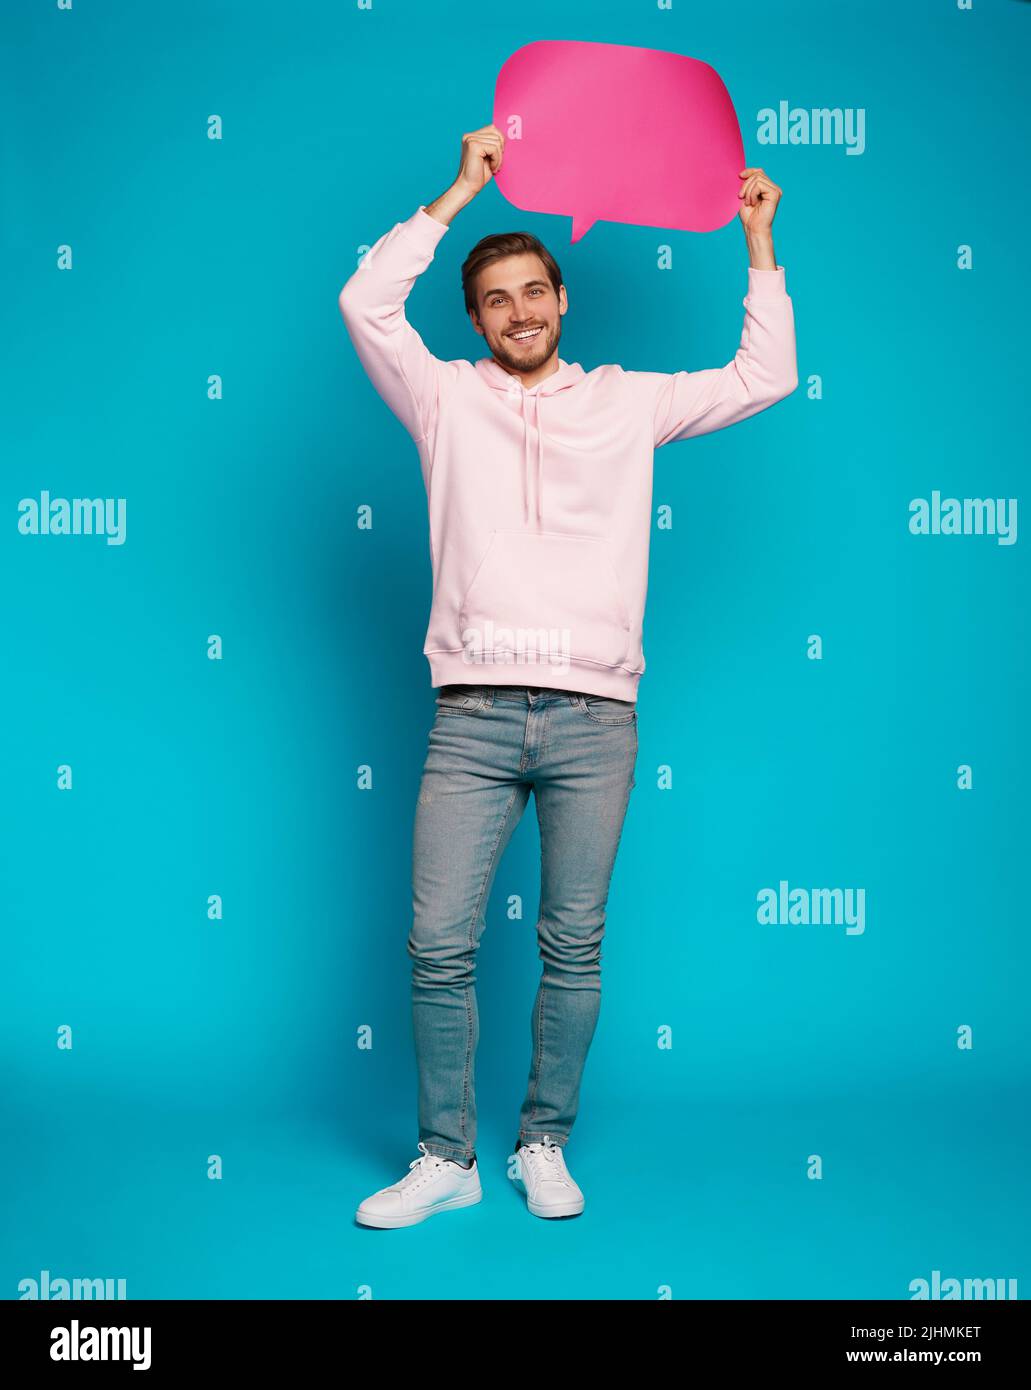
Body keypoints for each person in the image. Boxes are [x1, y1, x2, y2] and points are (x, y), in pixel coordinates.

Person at [339, 124, 797, 1227]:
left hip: (597, 716)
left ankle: (540, 1140)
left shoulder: (627, 401)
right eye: (494, 299)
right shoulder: (441, 398)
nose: (518, 312)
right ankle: (444, 1157)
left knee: (571, 943)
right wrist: (453, 193)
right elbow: (363, 304)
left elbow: (766, 375)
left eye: (532, 290)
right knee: (438, 941)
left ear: (561, 299)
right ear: (473, 319)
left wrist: (758, 243)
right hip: (472, 715)